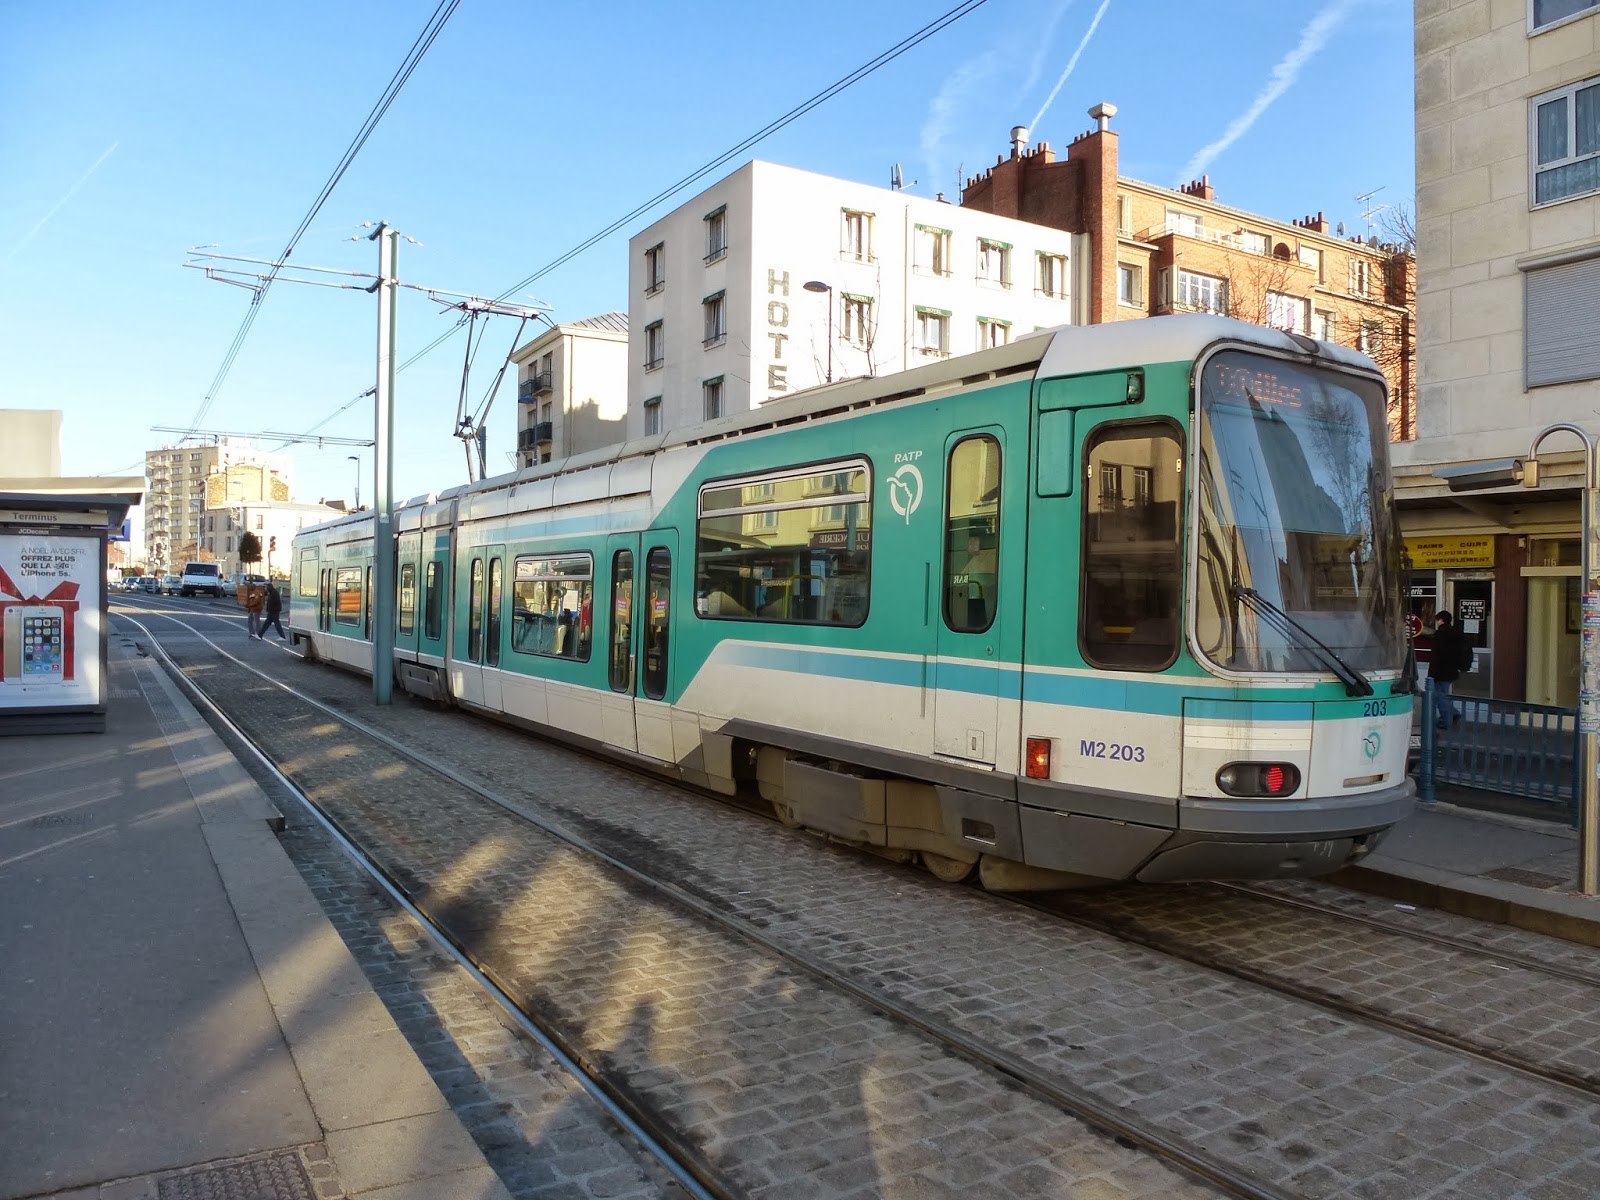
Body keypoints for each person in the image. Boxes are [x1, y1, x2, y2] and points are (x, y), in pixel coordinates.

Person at [1427, 610, 1470, 729]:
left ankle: (1446, 722)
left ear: (1441, 620)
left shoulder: (1440, 634)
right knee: (1443, 695)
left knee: (1440, 697)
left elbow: (1436, 656)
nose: (1436, 622)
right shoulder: (1457, 633)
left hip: (1440, 672)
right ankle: (1454, 714)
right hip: (1452, 670)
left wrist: (1431, 674)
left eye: (1437, 619)